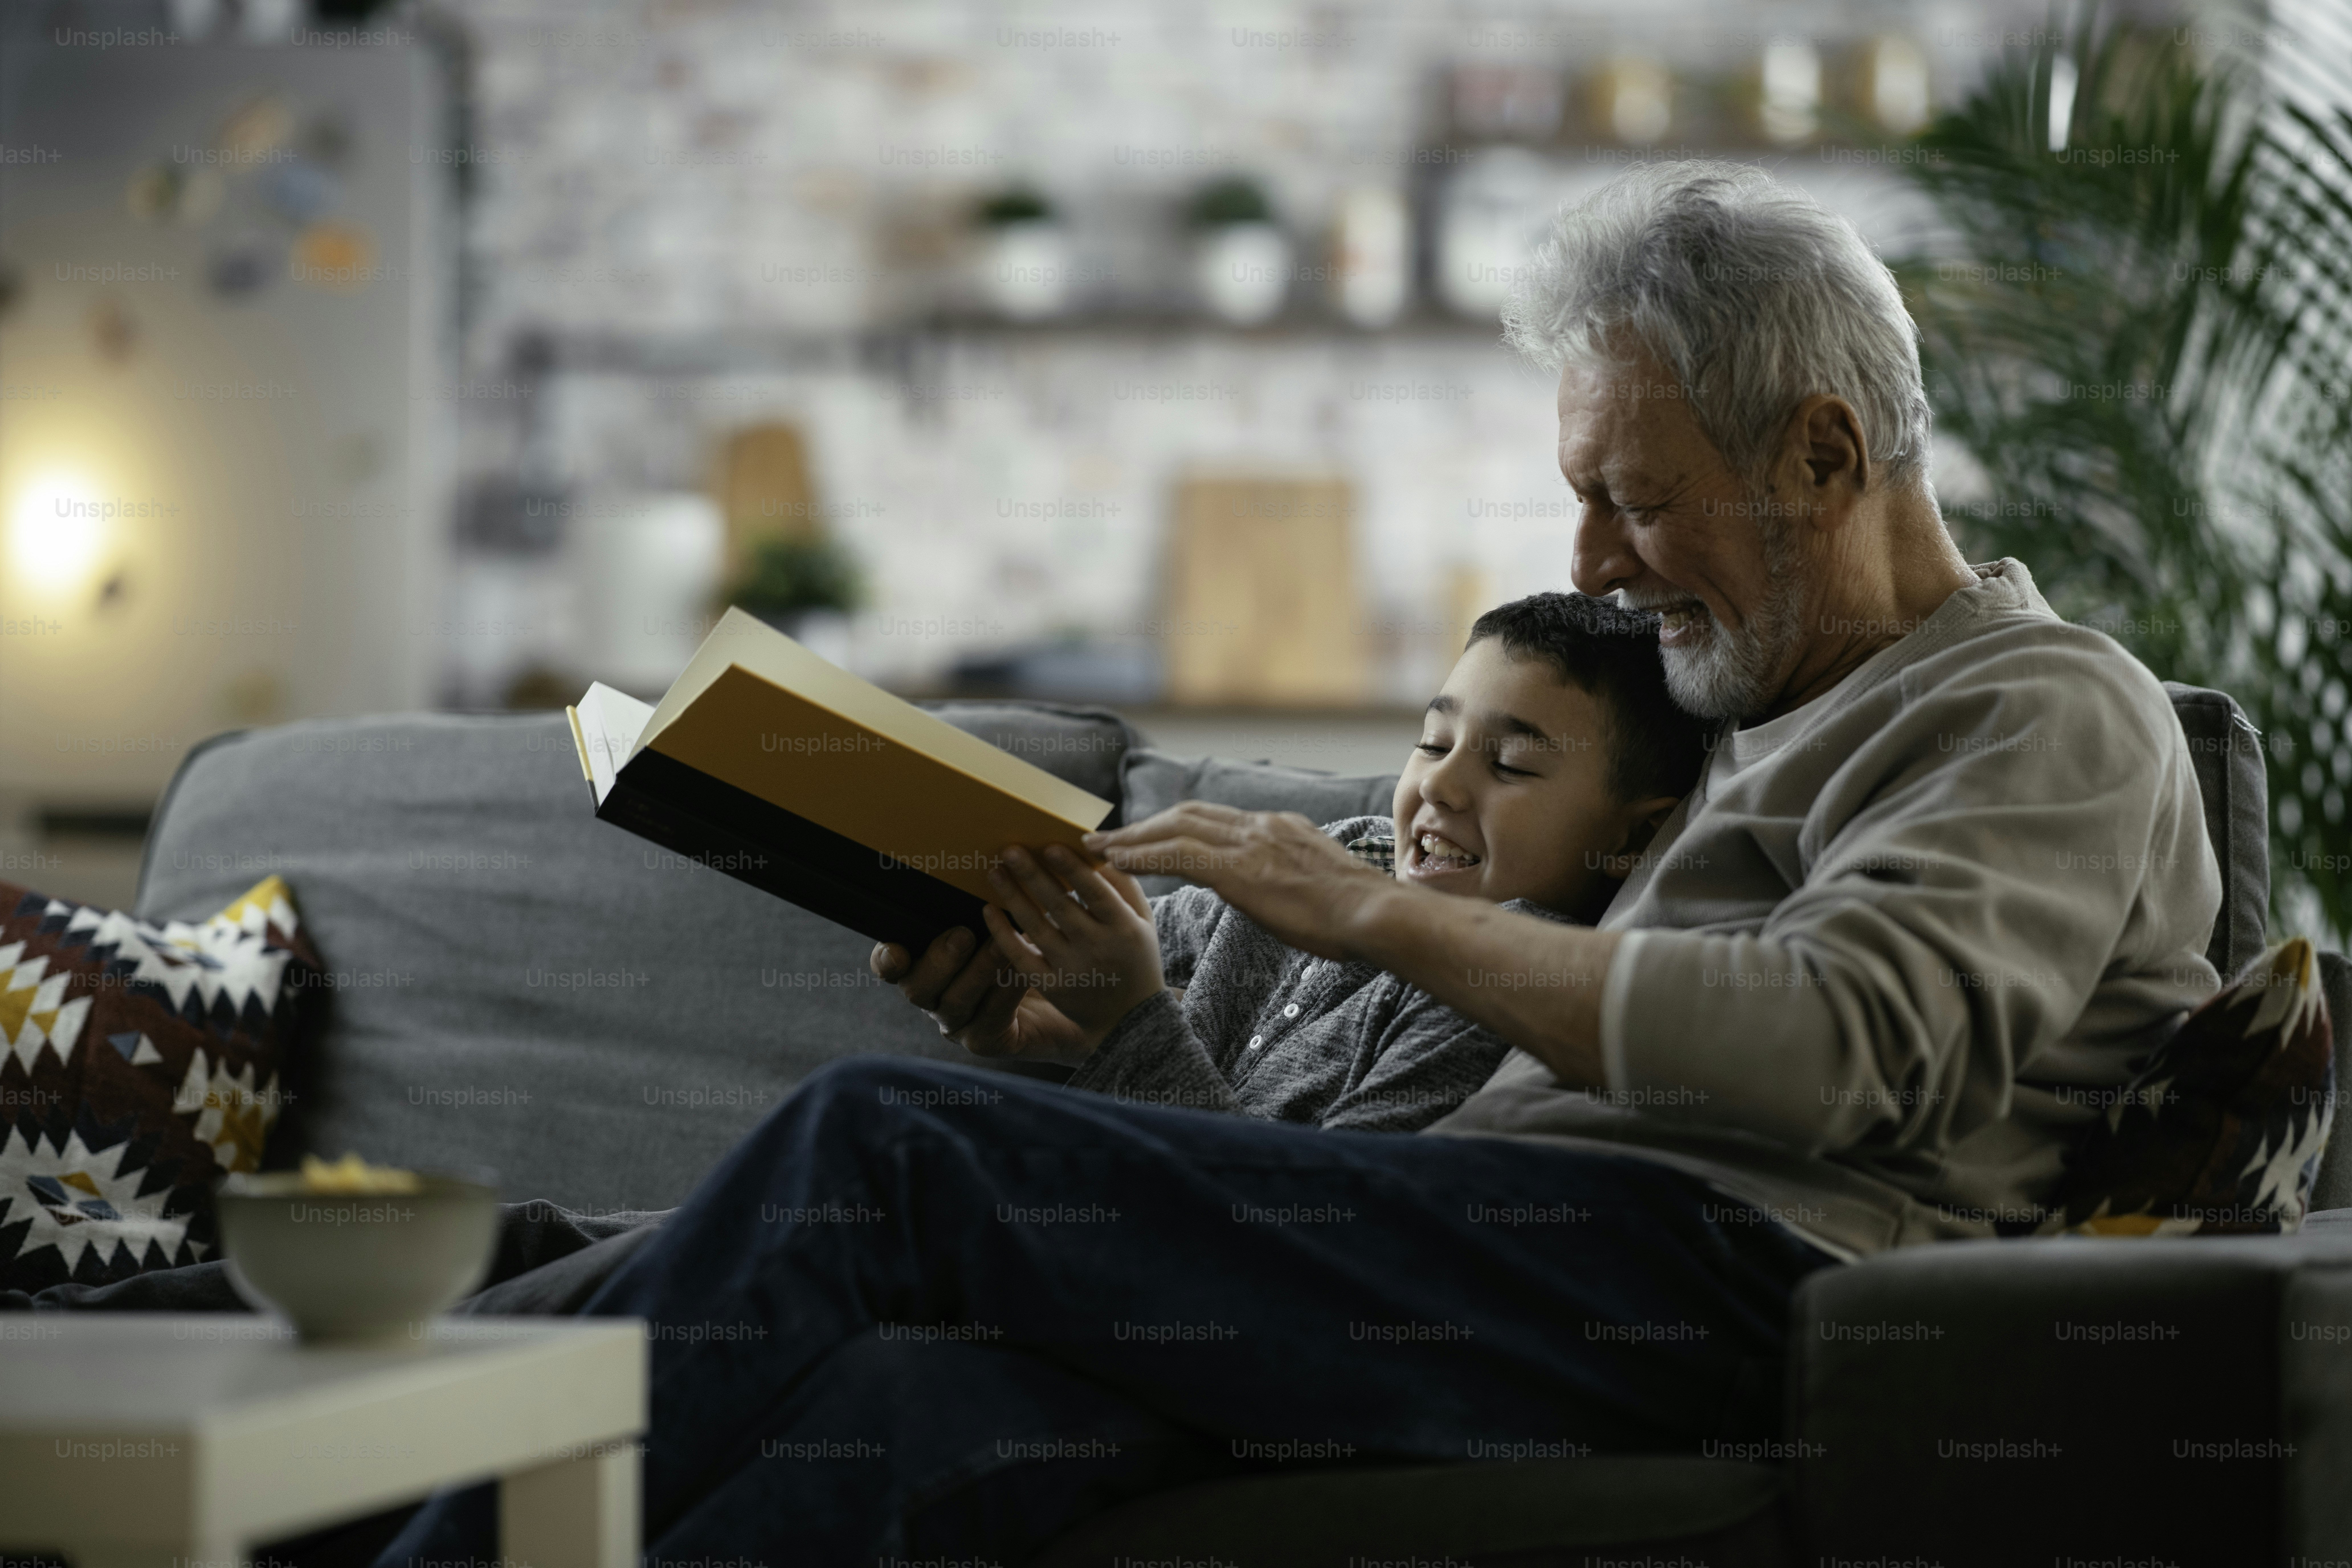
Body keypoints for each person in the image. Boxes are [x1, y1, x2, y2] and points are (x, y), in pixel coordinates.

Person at [377, 160, 2220, 1564]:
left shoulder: (2042, 711)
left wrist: (1365, 910)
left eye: (1634, 495)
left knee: (880, 1146)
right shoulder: (1743, 708)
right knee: (905, 1413)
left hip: (1707, 1279)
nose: (1590, 557)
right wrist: (1083, 998)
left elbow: (1843, 1045)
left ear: (1820, 455)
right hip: (1516, 1253)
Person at [974, 591, 1703, 1134]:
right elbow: (1111, 938)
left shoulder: (1509, 996)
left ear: (1632, 841)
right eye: (1433, 741)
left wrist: (1126, 1025)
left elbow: (1314, 1230)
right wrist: (1012, 977)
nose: (1439, 785)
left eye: (1510, 764)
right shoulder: (1348, 852)